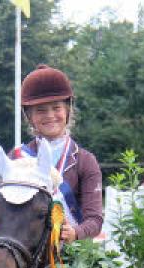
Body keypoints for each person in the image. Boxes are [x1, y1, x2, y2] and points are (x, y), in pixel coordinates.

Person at [10, 64, 104, 242]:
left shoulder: (85, 161)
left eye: (56, 108)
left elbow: (95, 220)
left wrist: (76, 232)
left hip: (73, 254)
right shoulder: (16, 158)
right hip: (27, 251)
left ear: (67, 110)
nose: (50, 115)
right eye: (41, 110)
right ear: (29, 116)